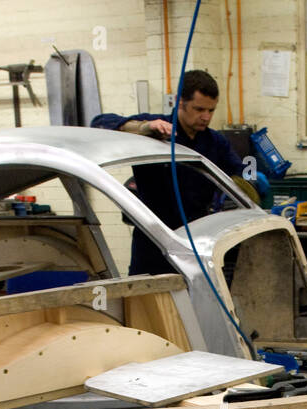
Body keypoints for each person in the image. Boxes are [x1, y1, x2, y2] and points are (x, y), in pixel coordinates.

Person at [92, 70, 246, 275]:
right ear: (179, 102)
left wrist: (253, 178)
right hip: (153, 241)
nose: (206, 117)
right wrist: (143, 128)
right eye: (199, 109)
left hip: (195, 241)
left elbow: (243, 169)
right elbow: (99, 123)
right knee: (145, 301)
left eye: (211, 110)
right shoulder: (155, 128)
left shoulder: (215, 143)